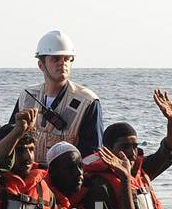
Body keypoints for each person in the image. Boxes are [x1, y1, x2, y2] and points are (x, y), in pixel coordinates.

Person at [82, 89, 172, 209]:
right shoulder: (100, 185)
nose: (131, 152)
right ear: (107, 149)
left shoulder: (141, 171)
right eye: (124, 146)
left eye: (135, 146)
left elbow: (170, 150)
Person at [10, 29, 103, 164]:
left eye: (67, 59)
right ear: (41, 65)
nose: (62, 63)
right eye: (55, 59)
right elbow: (9, 137)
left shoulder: (87, 102)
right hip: (29, 177)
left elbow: (92, 153)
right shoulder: (27, 96)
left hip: (66, 180)